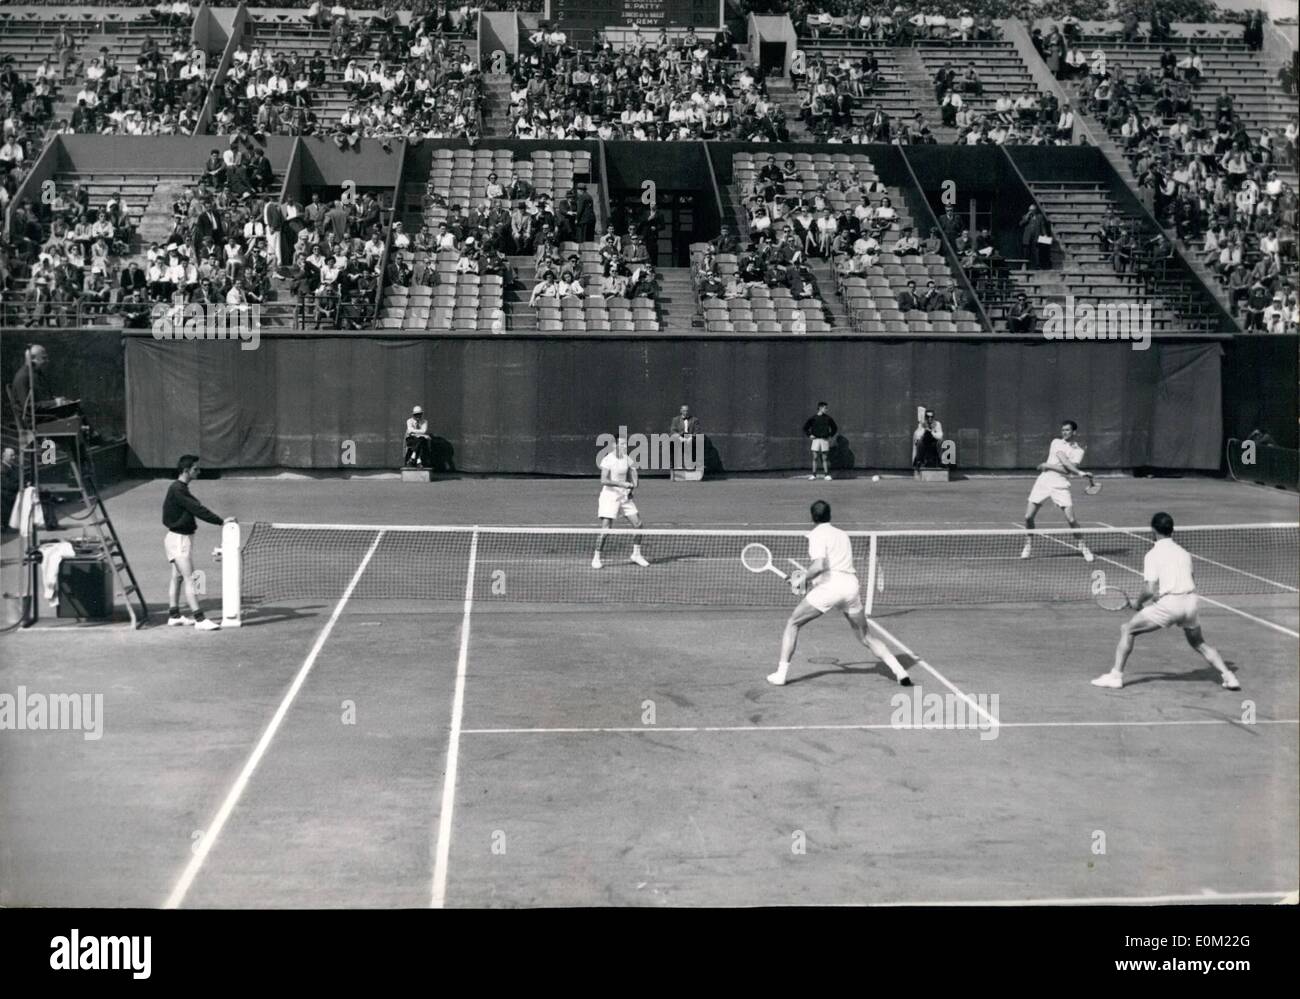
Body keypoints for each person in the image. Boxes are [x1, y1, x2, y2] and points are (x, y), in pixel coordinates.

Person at [767, 500, 912, 688]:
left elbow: (819, 566)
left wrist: (802, 580)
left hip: (831, 588)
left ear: (812, 517)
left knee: (793, 623)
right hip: (850, 587)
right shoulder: (843, 535)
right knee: (866, 637)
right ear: (830, 515)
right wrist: (809, 581)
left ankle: (781, 674)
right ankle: (900, 672)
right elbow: (833, 567)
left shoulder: (816, 535)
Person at [1092, 512, 1239, 691]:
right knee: (1199, 643)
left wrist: (1138, 604)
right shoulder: (1184, 553)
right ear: (1172, 530)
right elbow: (1188, 579)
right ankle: (1228, 675)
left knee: (1127, 629)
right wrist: (1161, 597)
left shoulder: (1152, 554)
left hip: (1170, 605)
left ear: (1153, 530)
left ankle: (1116, 676)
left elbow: (1148, 589)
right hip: (1190, 602)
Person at [163, 454, 234, 630]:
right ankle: (200, 619)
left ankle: (174, 615)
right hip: (179, 539)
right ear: (186, 471)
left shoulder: (180, 488)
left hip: (177, 538)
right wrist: (221, 521)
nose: (199, 471)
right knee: (190, 578)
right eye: (196, 469)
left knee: (177, 577)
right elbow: (197, 509)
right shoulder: (178, 490)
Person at [1021, 420, 1096, 562]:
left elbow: (1067, 469)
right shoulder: (1056, 442)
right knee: (1028, 517)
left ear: (1074, 432)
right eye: (1063, 430)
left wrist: (1047, 465)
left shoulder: (1078, 451)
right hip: (1043, 482)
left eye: (1067, 430)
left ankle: (1083, 547)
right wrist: (1080, 473)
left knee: (1071, 519)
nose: (1064, 433)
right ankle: (1028, 545)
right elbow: (1065, 463)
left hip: (1061, 484)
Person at [592, 435, 649, 570]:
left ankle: (636, 554)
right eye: (622, 444)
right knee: (606, 529)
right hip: (610, 497)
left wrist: (633, 485)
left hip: (624, 497)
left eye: (625, 445)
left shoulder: (627, 458)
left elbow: (633, 471)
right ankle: (596, 557)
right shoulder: (608, 460)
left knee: (638, 525)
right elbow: (604, 480)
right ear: (614, 445)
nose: (624, 447)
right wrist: (622, 484)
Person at [803, 401, 837, 480]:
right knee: (815, 457)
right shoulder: (813, 418)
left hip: (824, 440)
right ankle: (813, 475)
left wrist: (830, 435)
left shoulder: (828, 418)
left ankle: (826, 475)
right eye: (825, 408)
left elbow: (835, 428)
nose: (827, 409)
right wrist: (809, 435)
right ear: (820, 408)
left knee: (824, 458)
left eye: (826, 408)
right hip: (816, 440)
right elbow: (805, 428)